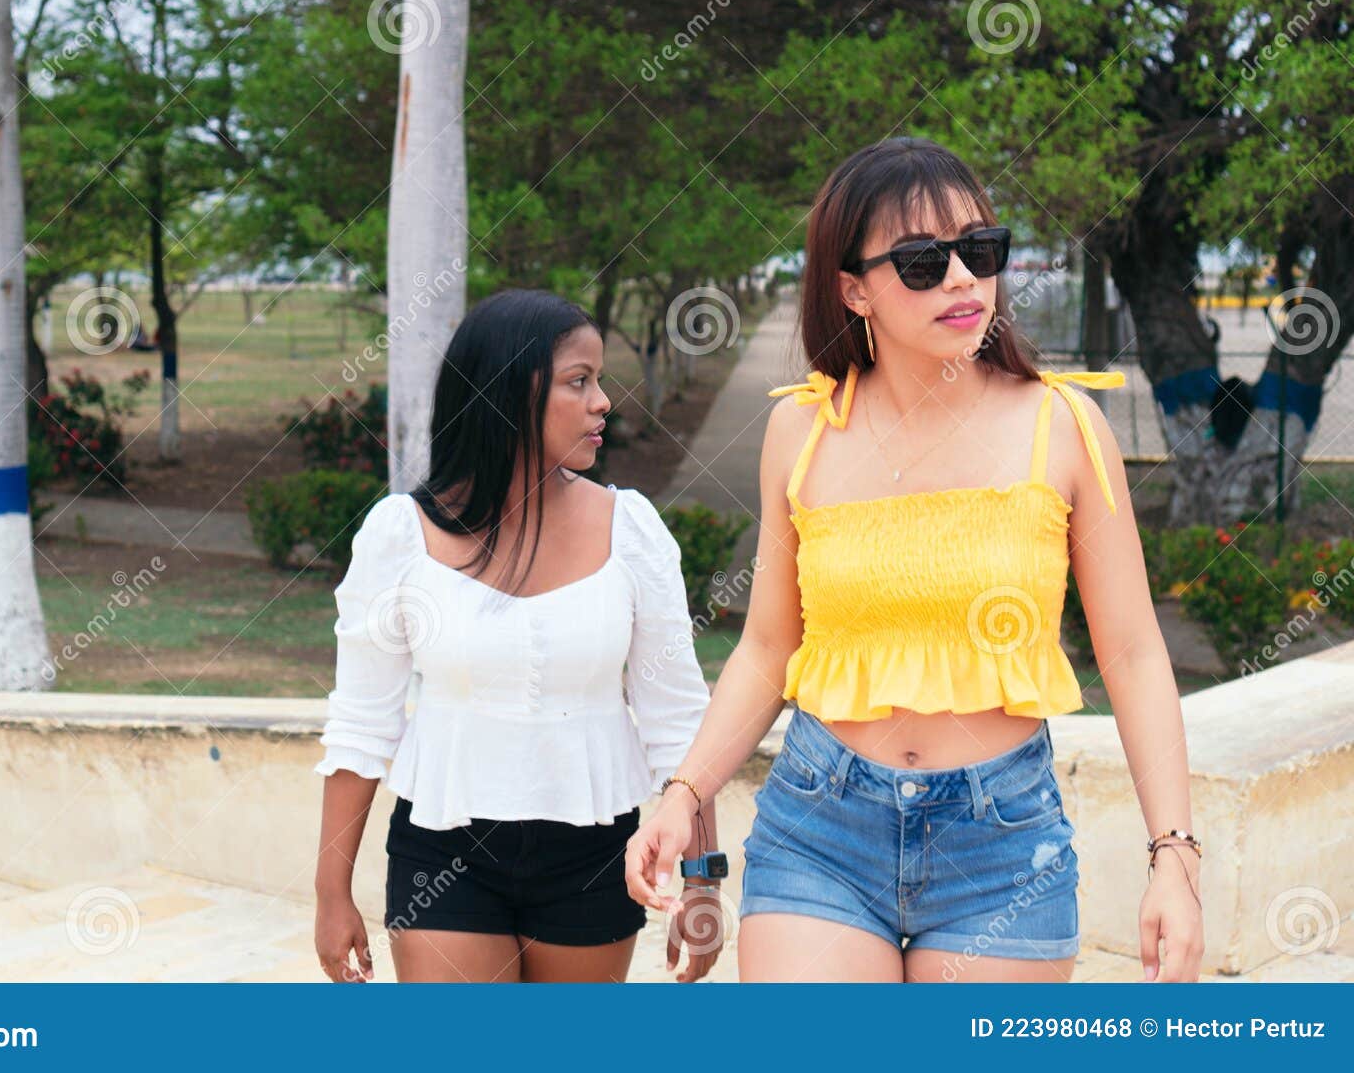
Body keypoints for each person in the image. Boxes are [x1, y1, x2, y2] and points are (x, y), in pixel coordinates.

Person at [625, 136, 1204, 983]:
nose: (965, 279)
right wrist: (684, 793)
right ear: (854, 288)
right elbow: (765, 649)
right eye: (924, 261)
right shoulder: (802, 431)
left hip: (1001, 846)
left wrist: (1174, 859)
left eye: (980, 251)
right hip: (819, 830)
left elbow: (1133, 653)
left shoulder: (1064, 428)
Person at [313, 288, 721, 983]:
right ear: (510, 391)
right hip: (443, 851)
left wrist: (703, 880)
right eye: (579, 381)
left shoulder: (635, 530)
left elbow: (679, 721)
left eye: (599, 380)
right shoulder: (398, 536)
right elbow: (361, 725)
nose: (602, 402)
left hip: (594, 854)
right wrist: (330, 893)